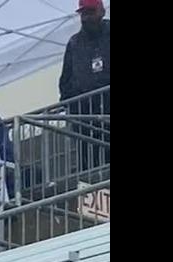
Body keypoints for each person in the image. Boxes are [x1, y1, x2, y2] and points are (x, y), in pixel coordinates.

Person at [59, 0, 110, 172]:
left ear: (102, 11)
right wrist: (72, 106)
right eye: (83, 14)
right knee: (91, 171)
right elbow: (65, 83)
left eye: (90, 12)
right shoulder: (74, 43)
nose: (86, 18)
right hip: (86, 124)